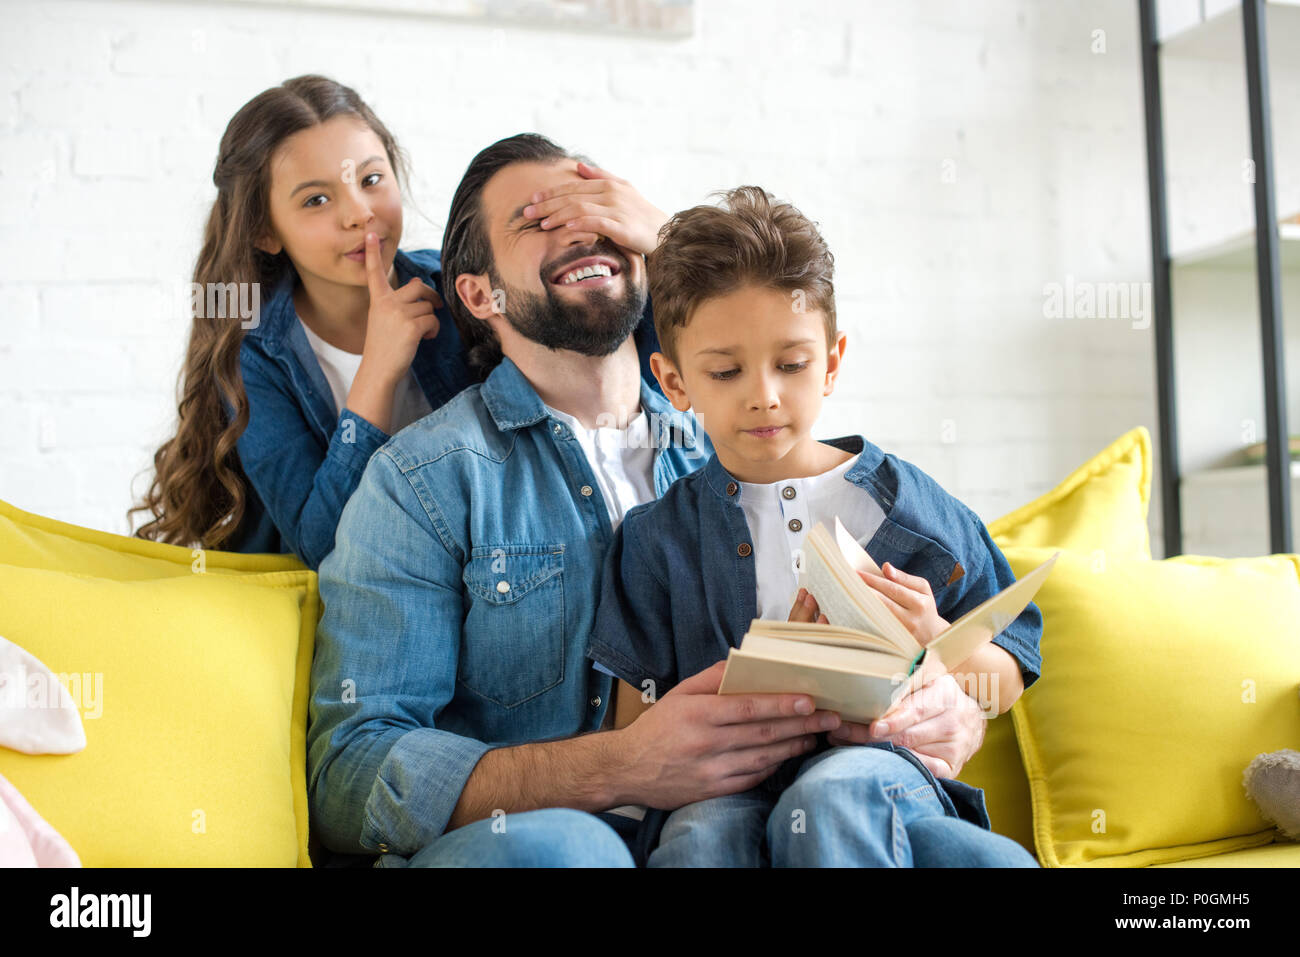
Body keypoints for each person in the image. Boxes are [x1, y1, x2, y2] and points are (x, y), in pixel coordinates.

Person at [306, 134, 854, 867]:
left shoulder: (751, 444)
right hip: (532, 848)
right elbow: (350, 771)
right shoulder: (422, 480)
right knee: (577, 850)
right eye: (536, 222)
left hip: (723, 833)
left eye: (599, 209)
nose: (578, 230)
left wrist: (936, 707)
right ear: (478, 294)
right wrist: (620, 764)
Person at [586, 186, 1042, 866]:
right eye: (726, 370)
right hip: (721, 792)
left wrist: (934, 639)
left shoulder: (910, 508)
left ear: (831, 362)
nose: (764, 392)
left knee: (828, 796)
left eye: (791, 364)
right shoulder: (659, 538)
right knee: (700, 839)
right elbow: (633, 730)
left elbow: (1005, 677)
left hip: (877, 780)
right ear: (674, 382)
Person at [127, 76, 663, 570]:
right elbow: (326, 548)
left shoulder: (458, 288)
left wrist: (665, 239)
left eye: (372, 179)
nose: (359, 212)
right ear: (267, 231)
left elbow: (650, 361)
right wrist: (376, 374)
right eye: (317, 199)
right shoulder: (256, 357)